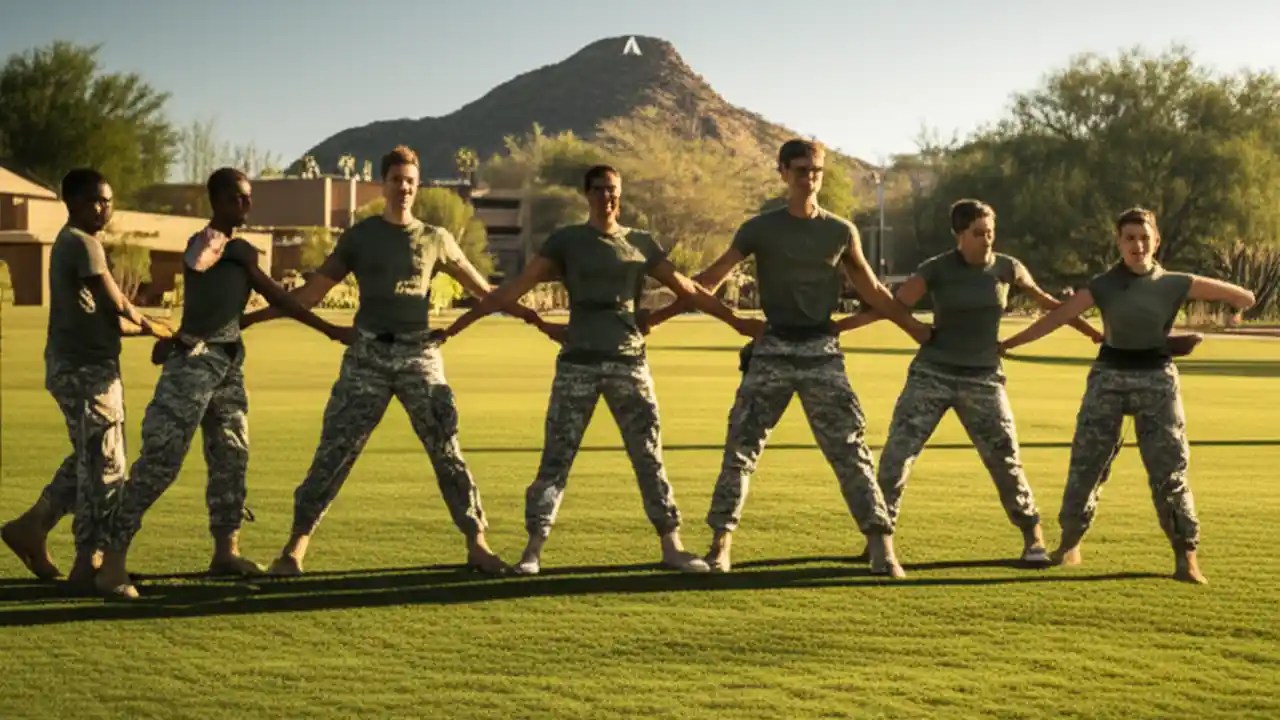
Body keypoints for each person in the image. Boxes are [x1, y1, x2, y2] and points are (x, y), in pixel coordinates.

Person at [441, 164, 757, 575]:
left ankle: (671, 546)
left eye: (614, 191)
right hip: (578, 365)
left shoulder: (641, 243)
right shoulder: (568, 242)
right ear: (586, 195)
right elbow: (512, 290)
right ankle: (533, 548)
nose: (608, 197)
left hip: (630, 363)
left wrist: (736, 322)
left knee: (648, 456)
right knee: (557, 457)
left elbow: (688, 289)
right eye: (600, 190)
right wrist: (473, 325)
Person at [250, 145, 549, 577]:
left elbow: (486, 292)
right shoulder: (361, 236)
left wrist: (536, 319)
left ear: (417, 185)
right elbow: (311, 295)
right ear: (385, 185)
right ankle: (294, 549)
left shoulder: (436, 238)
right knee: (334, 451)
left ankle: (477, 544)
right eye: (396, 180)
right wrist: (251, 318)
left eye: (410, 180)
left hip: (418, 356)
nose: (404, 188)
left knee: (447, 451)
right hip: (367, 356)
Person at [646, 139, 933, 577]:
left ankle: (881, 545)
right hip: (772, 350)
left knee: (850, 450)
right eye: (800, 170)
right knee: (741, 448)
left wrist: (913, 329)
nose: (809, 177)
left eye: (816, 170)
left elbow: (873, 291)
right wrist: (703, 318)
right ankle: (721, 544)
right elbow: (709, 280)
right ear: (782, 172)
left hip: (821, 353)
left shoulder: (840, 231)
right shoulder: (759, 229)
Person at [93, 167, 349, 599]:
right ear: (218, 202)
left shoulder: (233, 249)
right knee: (160, 463)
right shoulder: (219, 246)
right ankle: (110, 563)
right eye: (237, 198)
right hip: (193, 363)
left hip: (228, 363)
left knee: (232, 457)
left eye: (248, 198)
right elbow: (278, 297)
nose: (246, 205)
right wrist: (331, 330)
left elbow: (232, 306)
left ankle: (225, 552)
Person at [998, 207, 1256, 584]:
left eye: (1144, 237)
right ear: (1118, 243)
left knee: (1169, 471)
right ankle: (1068, 543)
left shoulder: (1175, 283)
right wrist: (1008, 344)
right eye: (1129, 238)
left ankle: (1186, 556)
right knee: (1087, 465)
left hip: (1157, 380)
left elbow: (1245, 298)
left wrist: (1210, 325)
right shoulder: (1103, 284)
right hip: (1109, 378)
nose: (1137, 245)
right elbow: (1057, 317)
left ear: (1156, 240)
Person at [840, 199, 1102, 564]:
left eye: (991, 232)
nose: (987, 239)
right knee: (896, 460)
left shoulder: (1008, 268)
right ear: (959, 235)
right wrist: (846, 327)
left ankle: (1033, 538)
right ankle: (877, 541)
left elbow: (1049, 303)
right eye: (978, 233)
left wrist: (1092, 332)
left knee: (1005, 461)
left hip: (983, 379)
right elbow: (892, 305)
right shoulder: (937, 269)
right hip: (932, 374)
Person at [2, 168, 171, 586]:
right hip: (85, 373)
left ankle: (32, 527)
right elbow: (117, 305)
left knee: (88, 457)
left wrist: (157, 330)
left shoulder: (77, 244)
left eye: (108, 200)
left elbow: (106, 321)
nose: (102, 208)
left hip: (82, 366)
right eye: (94, 200)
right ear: (71, 203)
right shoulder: (82, 244)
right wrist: (153, 325)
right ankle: (89, 562)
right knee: (105, 465)